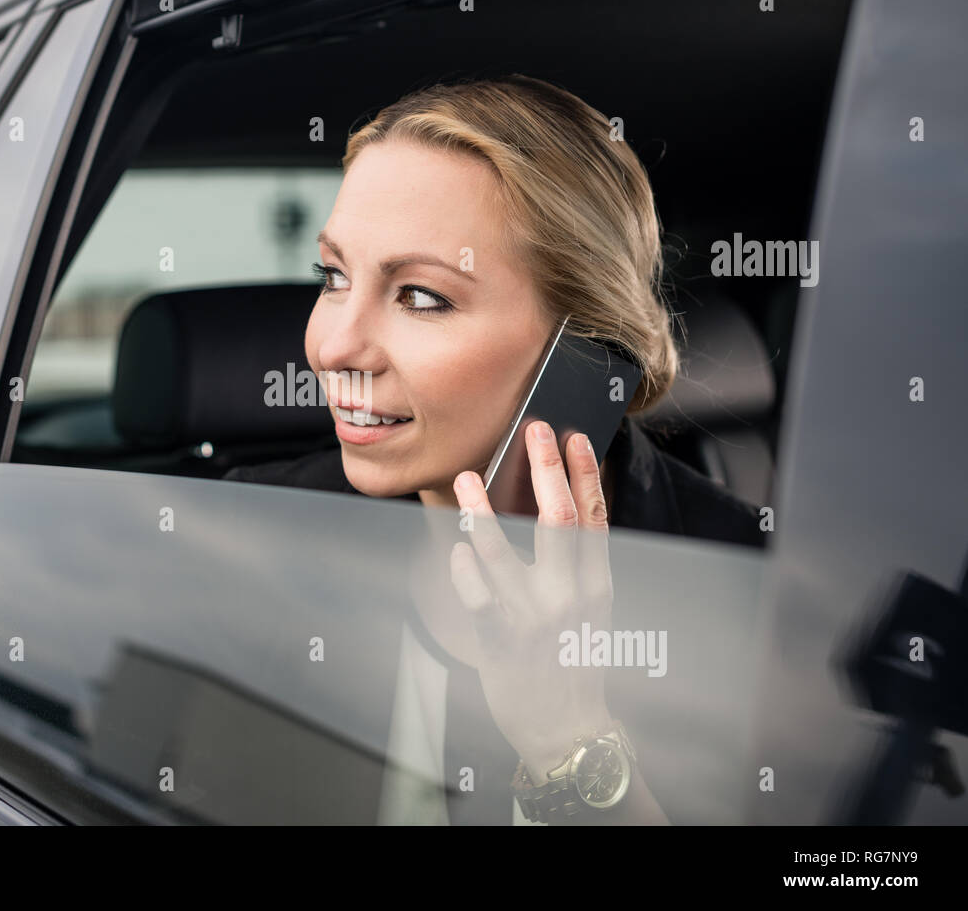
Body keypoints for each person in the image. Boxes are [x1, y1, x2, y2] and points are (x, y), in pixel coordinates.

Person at [222, 75, 768, 824]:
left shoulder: (750, 600)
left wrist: (567, 739)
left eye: (421, 295)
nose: (332, 346)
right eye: (334, 275)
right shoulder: (250, 539)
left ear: (584, 348)